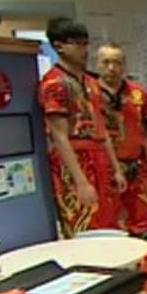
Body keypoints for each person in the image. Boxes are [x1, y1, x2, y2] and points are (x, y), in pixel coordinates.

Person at [38, 18, 127, 238]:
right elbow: (59, 135)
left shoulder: (91, 83)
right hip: (75, 160)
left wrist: (115, 167)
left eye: (86, 43)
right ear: (59, 46)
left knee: (109, 222)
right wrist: (81, 181)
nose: (84, 50)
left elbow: (101, 127)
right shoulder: (54, 83)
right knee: (83, 224)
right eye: (77, 44)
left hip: (100, 157)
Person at [96, 43, 147, 239]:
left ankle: (142, 260)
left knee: (139, 213)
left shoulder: (138, 94)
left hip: (136, 163)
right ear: (97, 65)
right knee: (107, 216)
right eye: (106, 62)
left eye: (117, 63)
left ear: (124, 66)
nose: (112, 68)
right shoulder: (89, 94)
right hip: (104, 167)